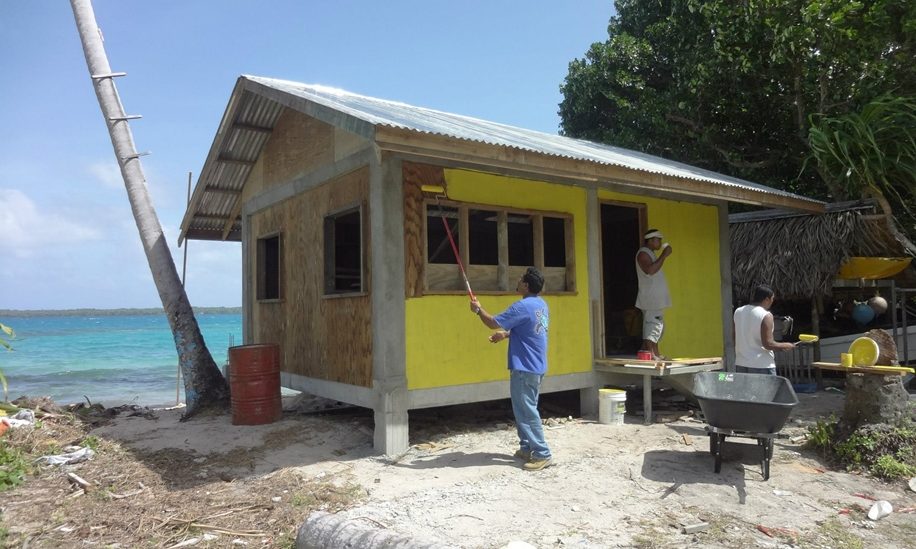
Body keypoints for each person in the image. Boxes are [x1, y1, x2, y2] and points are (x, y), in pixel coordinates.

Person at [470, 267, 552, 471]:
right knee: (523, 408)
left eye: (521, 279)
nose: (518, 281)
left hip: (525, 367)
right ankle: (526, 447)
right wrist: (506, 334)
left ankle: (542, 453)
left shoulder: (521, 306)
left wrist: (478, 310)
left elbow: (493, 322)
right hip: (536, 365)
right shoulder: (541, 305)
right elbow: (529, 330)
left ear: (526, 285)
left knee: (527, 411)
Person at [733, 285, 797, 375]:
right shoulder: (766, 315)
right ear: (766, 299)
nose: (772, 301)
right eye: (772, 299)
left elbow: (734, 337)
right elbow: (768, 344)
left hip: (741, 364)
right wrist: (786, 345)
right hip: (761, 365)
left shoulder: (738, 312)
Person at [635, 228, 672, 359]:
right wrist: (664, 255)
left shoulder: (649, 253)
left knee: (656, 325)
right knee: (653, 325)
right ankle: (651, 354)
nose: (660, 242)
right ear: (650, 240)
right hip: (651, 298)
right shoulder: (643, 254)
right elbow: (650, 270)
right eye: (658, 240)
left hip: (654, 299)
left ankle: (655, 353)